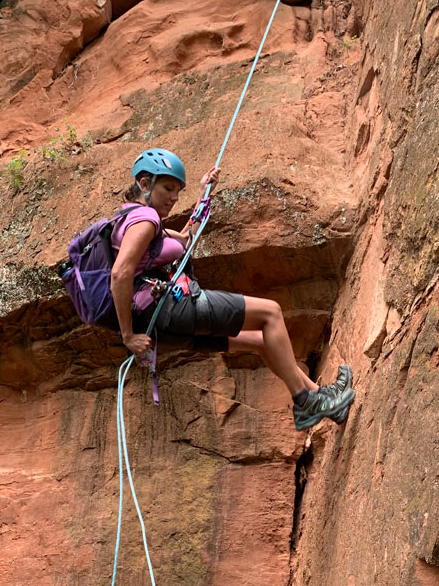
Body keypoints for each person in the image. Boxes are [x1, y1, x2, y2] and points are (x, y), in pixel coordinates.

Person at [108, 148, 355, 430]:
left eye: (178, 191)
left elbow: (188, 239)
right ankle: (305, 402)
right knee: (270, 313)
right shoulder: (144, 220)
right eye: (168, 188)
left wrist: (204, 194)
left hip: (162, 329)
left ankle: (319, 396)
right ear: (144, 184)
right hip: (168, 311)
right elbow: (120, 274)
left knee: (260, 340)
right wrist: (128, 336)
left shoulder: (133, 219)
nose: (175, 198)